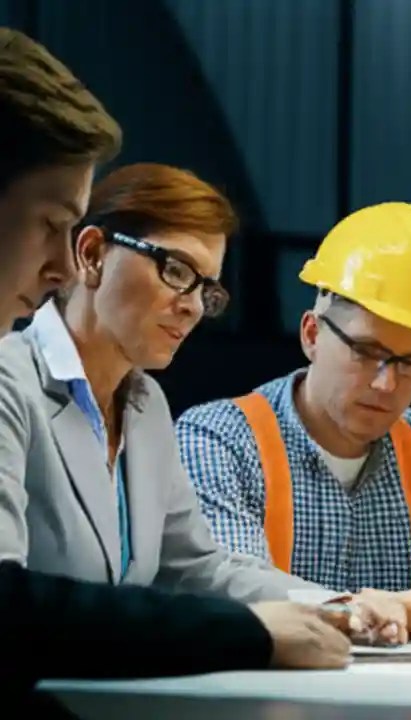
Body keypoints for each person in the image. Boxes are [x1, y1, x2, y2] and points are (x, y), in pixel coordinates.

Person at [0, 27, 348, 702]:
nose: (192, 307)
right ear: (95, 254)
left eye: (206, 289)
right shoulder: (10, 381)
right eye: (174, 271)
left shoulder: (146, 407)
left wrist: (336, 606)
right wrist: (248, 632)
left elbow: (196, 570)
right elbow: (10, 609)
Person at [176, 201, 411, 645]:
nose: (387, 384)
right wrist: (407, 611)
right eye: (366, 352)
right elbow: (234, 587)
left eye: (410, 363)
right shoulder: (220, 439)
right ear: (311, 334)